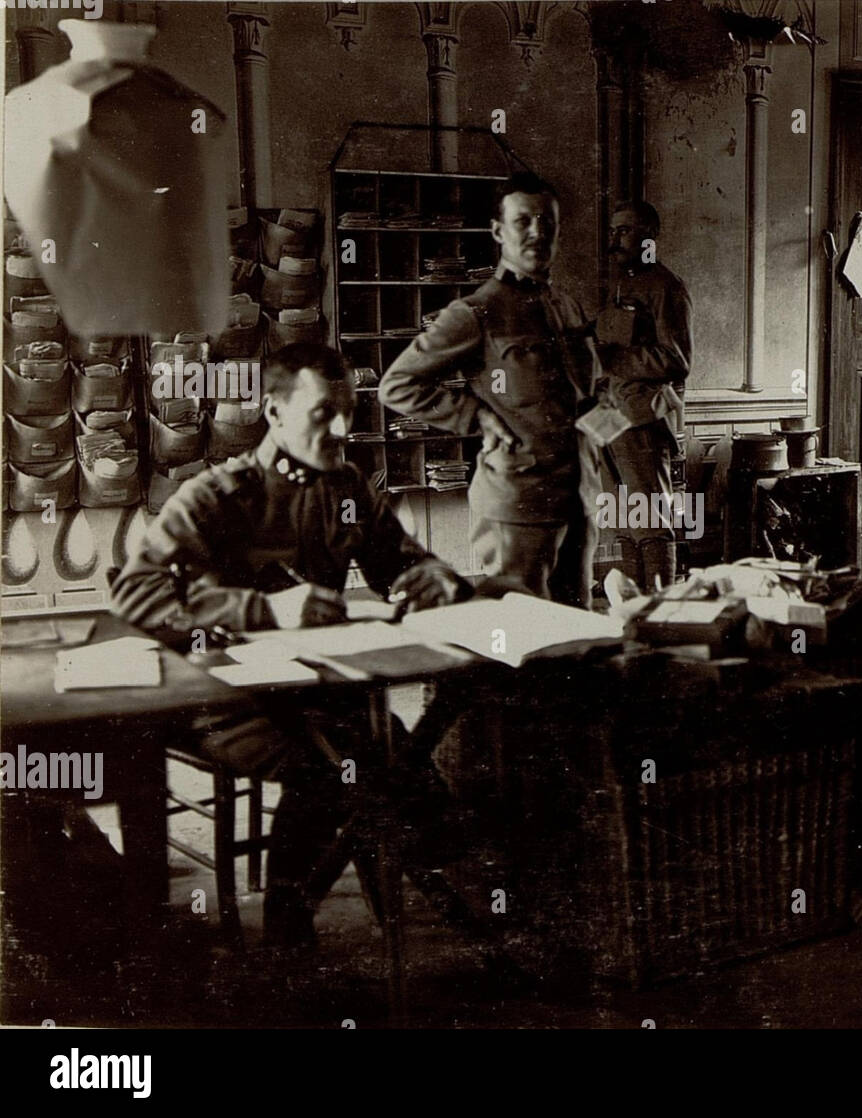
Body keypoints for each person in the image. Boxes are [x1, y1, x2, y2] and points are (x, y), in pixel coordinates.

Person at [112, 343, 468, 948]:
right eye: (322, 413)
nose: (341, 430)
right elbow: (134, 592)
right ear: (274, 414)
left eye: (349, 412)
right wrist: (263, 609)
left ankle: (421, 909)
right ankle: (288, 928)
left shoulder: (348, 485)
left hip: (322, 691)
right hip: (228, 700)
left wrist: (432, 575)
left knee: (409, 780)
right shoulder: (219, 495)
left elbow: (397, 560)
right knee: (334, 776)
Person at [380, 171, 601, 608]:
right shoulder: (476, 311)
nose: (538, 232)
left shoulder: (566, 306)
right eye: (523, 222)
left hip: (578, 494)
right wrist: (474, 415)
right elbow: (397, 384)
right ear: (498, 231)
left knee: (580, 630)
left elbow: (586, 391)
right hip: (516, 502)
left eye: (548, 222)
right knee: (524, 630)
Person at [596, 200, 693, 590]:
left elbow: (677, 359)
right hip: (609, 417)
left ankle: (662, 615)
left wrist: (613, 358)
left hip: (642, 419)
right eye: (614, 230)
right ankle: (633, 613)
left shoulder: (666, 288)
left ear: (649, 236)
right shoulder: (622, 283)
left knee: (651, 521)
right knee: (622, 520)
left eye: (626, 230)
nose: (615, 238)